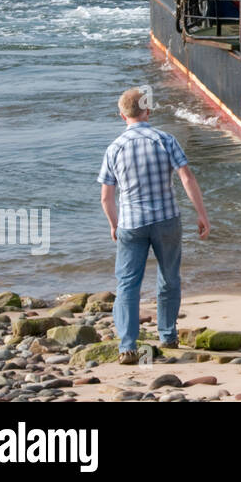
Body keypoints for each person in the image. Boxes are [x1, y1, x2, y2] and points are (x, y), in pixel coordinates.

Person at [98, 88, 210, 364]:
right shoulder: (165, 140)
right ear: (147, 111)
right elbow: (187, 178)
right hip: (166, 219)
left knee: (127, 284)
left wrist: (114, 224)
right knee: (169, 277)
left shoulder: (114, 148)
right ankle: (168, 334)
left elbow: (106, 196)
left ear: (122, 115)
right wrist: (202, 214)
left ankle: (127, 346)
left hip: (131, 224)